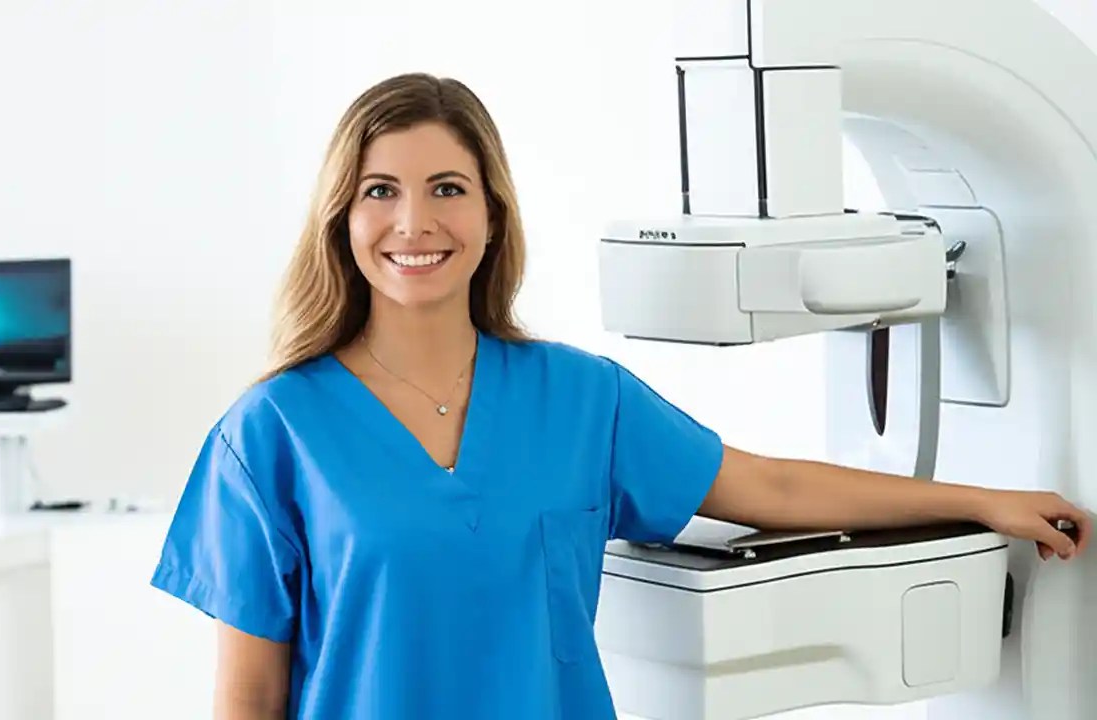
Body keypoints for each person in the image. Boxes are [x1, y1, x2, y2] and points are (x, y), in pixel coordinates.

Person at [150, 72, 1092, 720]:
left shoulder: (578, 398)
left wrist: (981, 501)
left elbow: (773, 490)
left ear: (491, 216)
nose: (414, 222)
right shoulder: (273, 432)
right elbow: (250, 702)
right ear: (341, 218)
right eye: (378, 191)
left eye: (446, 187)